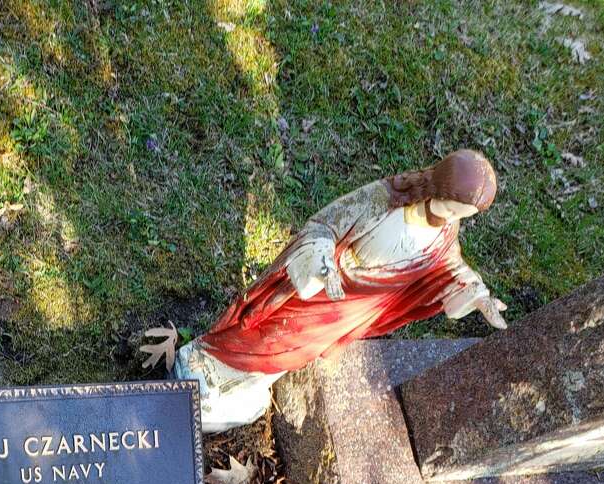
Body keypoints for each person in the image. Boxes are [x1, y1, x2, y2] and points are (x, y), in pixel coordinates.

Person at [174, 149, 507, 432]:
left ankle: (241, 388)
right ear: (440, 185)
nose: (449, 217)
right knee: (268, 335)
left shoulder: (445, 235)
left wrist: (474, 291)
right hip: (322, 289)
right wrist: (321, 263)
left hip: (350, 311)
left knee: (290, 356)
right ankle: (206, 365)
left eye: (460, 215)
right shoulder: (386, 199)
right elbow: (325, 224)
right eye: (451, 207)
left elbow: (451, 267)